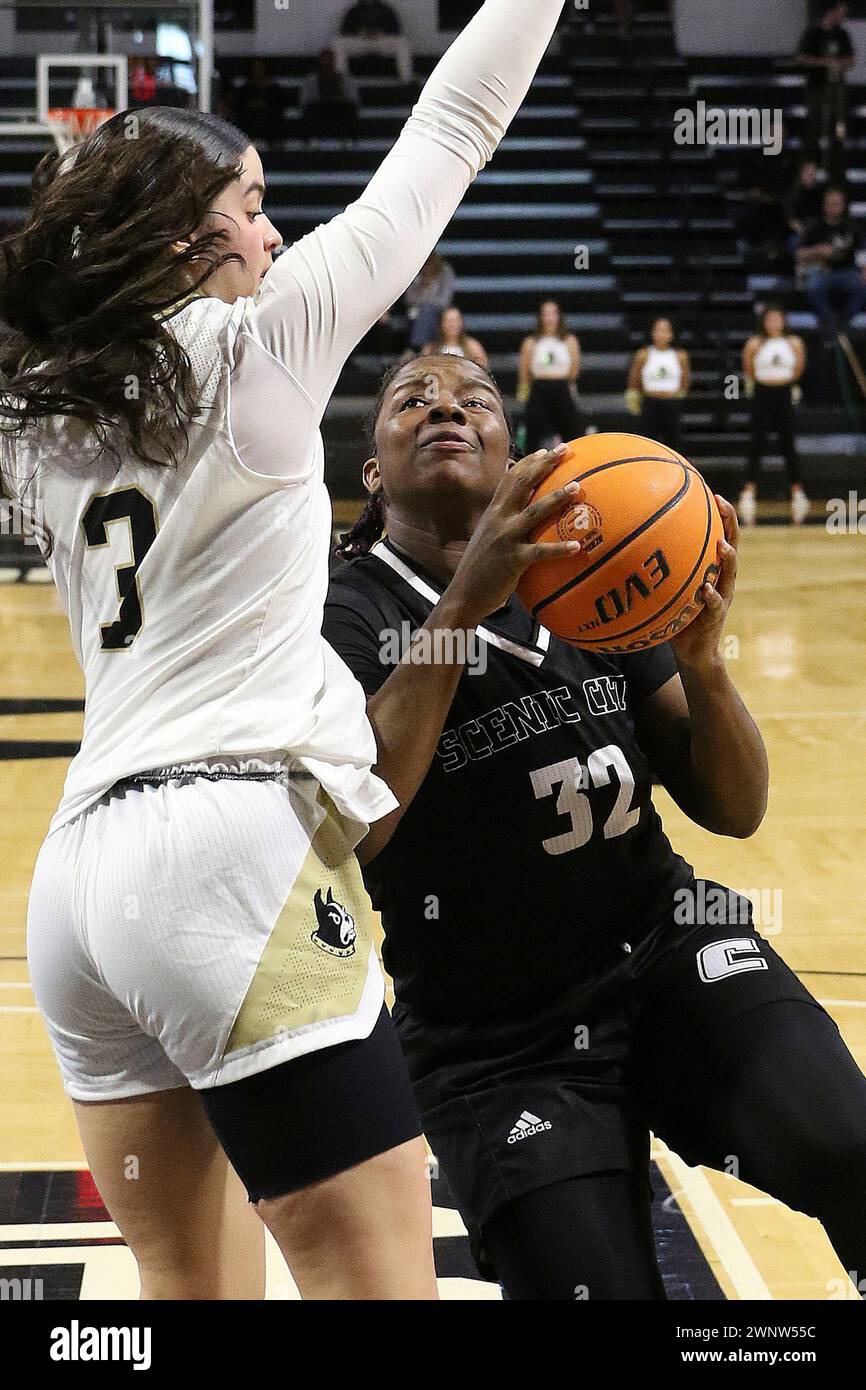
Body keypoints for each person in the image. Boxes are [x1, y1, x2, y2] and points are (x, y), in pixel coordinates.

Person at [0, 0, 571, 1301]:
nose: (272, 230)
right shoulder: (265, 345)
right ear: (184, 230)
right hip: (227, 856)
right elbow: (460, 125)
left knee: (185, 1301)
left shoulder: (35, 410)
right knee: (373, 1285)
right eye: (252, 203)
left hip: (78, 891)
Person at [324, 351, 866, 1301]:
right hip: (496, 1041)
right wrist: (464, 604)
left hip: (667, 948)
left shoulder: (595, 575)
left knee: (850, 1145)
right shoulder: (342, 610)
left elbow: (734, 809)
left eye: (475, 400)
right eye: (412, 400)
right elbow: (366, 819)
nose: (445, 407)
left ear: (512, 458)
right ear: (373, 470)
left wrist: (703, 663)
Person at [739, 306, 808, 528]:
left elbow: (798, 368)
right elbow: (748, 368)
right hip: (762, 393)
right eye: (770, 319)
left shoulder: (794, 342)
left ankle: (797, 491)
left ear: (784, 321)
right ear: (764, 322)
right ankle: (749, 491)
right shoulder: (755, 343)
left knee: (788, 442)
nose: (774, 323)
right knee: (757, 442)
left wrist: (785, 384)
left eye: (778, 319)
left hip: (784, 393)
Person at [796, 185, 866, 340]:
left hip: (847, 271)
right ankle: (828, 319)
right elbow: (799, 254)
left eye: (837, 204)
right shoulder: (814, 226)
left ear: (843, 205)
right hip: (821, 271)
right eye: (830, 203)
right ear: (824, 205)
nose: (834, 207)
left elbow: (862, 251)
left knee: (862, 286)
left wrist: (864, 270)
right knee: (813, 285)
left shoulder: (852, 226)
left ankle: (844, 320)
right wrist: (817, 250)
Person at [797, 1, 855, 176]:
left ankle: (835, 164)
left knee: (838, 126)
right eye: (841, 11)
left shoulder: (842, 34)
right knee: (816, 124)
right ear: (831, 11)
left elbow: (851, 60)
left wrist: (839, 64)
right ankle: (810, 166)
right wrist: (825, 63)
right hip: (817, 87)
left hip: (837, 88)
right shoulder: (813, 32)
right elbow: (802, 58)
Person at [518, 299, 583, 453]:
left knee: (574, 435)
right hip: (539, 389)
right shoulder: (531, 342)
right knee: (533, 437)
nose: (549, 318)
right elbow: (524, 372)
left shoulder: (569, 340)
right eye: (545, 314)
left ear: (559, 316)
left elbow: (574, 371)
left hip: (561, 388)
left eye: (553, 314)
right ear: (540, 317)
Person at [626, 317, 690, 452]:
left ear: (672, 334)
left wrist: (677, 396)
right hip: (650, 403)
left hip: (671, 403)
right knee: (647, 443)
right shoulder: (643, 354)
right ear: (652, 332)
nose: (661, 334)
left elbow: (685, 381)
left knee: (673, 444)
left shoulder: (680, 355)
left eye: (665, 331)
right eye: (658, 330)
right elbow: (634, 380)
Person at [333, 0, 414, 85]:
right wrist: (359, 33)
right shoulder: (354, 10)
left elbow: (396, 29)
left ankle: (406, 80)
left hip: (381, 41)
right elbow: (344, 30)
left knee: (402, 43)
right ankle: (340, 82)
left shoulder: (386, 9)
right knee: (338, 42)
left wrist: (381, 33)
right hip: (360, 41)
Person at [300, 48, 360, 141]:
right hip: (319, 105)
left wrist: (345, 100)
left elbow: (353, 96)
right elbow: (305, 98)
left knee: (350, 110)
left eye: (330, 59)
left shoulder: (345, 78)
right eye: (325, 59)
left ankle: (350, 139)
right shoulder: (311, 79)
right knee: (308, 111)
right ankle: (310, 139)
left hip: (339, 105)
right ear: (320, 61)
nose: (328, 62)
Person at [405, 250, 457, 353]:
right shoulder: (414, 272)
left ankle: (416, 348)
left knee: (426, 311)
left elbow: (445, 298)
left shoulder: (445, 271)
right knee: (421, 313)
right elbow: (408, 298)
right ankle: (423, 347)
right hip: (416, 310)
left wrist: (426, 303)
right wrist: (421, 287)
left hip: (440, 309)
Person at [234, 58, 286, 144]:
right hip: (249, 120)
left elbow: (279, 106)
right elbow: (240, 107)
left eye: (260, 68)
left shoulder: (274, 89)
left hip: (270, 119)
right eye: (255, 69)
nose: (258, 71)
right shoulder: (244, 89)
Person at [421, 306, 488, 367]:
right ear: (441, 324)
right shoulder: (429, 349)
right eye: (449, 321)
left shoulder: (473, 346)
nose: (453, 325)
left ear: (461, 323)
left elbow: (483, 373)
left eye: (456, 321)